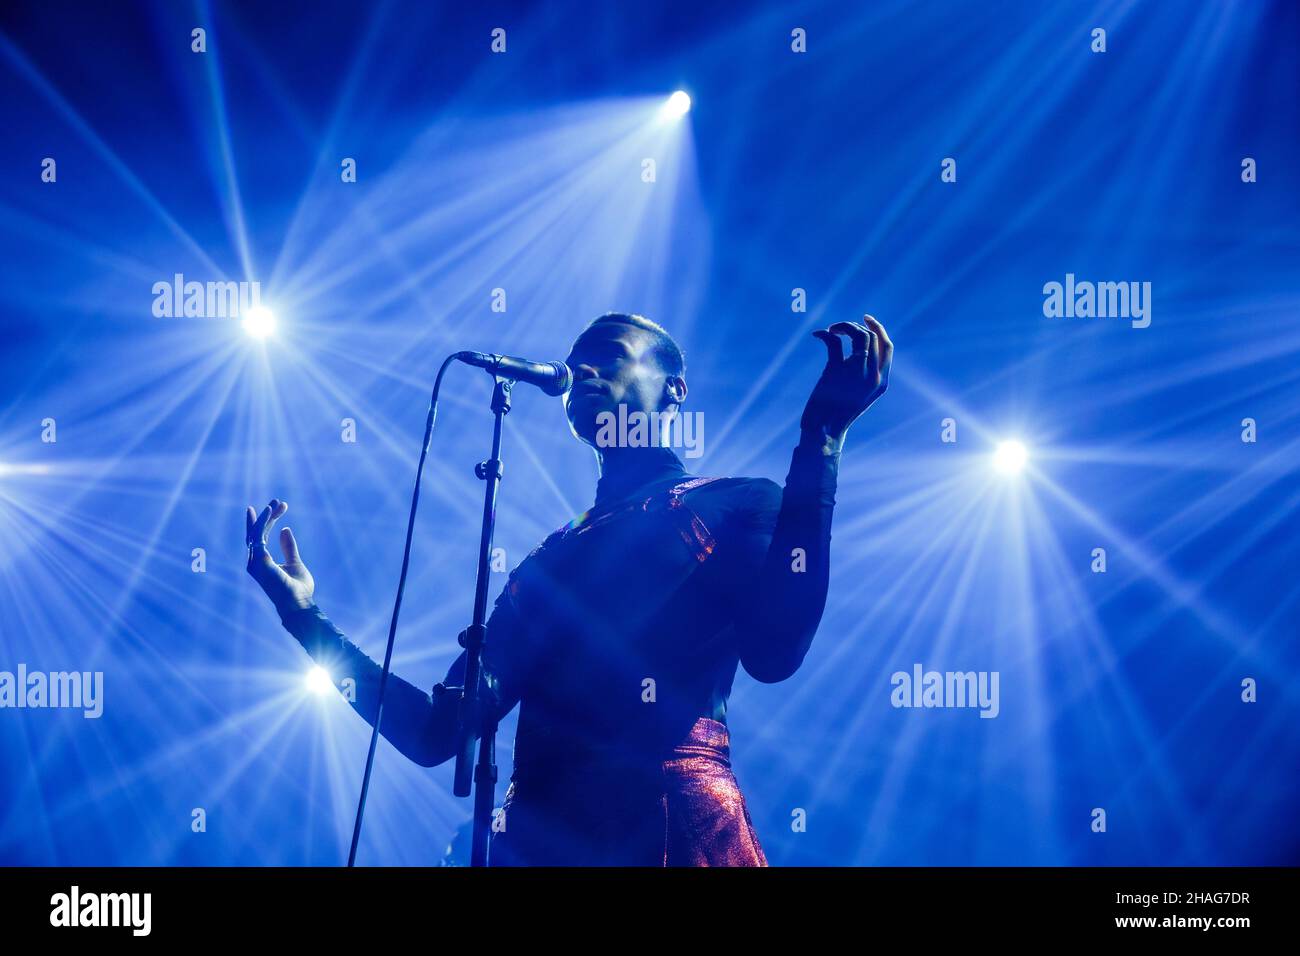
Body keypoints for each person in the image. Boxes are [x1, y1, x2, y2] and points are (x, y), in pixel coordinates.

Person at [245, 311, 892, 865]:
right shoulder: (544, 564)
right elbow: (436, 735)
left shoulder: (735, 505)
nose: (583, 371)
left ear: (676, 389)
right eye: (575, 361)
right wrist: (303, 617)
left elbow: (775, 653)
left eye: (610, 355)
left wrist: (821, 442)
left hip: (667, 828)